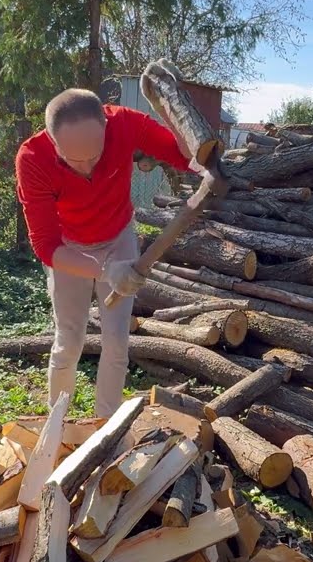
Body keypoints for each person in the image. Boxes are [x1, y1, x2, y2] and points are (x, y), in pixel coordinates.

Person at [16, 88, 193, 417]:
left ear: (106, 127)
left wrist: (170, 108)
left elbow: (187, 159)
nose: (86, 168)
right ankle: (57, 424)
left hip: (117, 237)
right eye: (73, 160)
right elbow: (46, 246)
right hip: (68, 249)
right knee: (69, 340)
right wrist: (106, 270)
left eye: (94, 156)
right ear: (52, 141)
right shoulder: (32, 157)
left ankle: (106, 427)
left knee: (116, 342)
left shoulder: (125, 124)